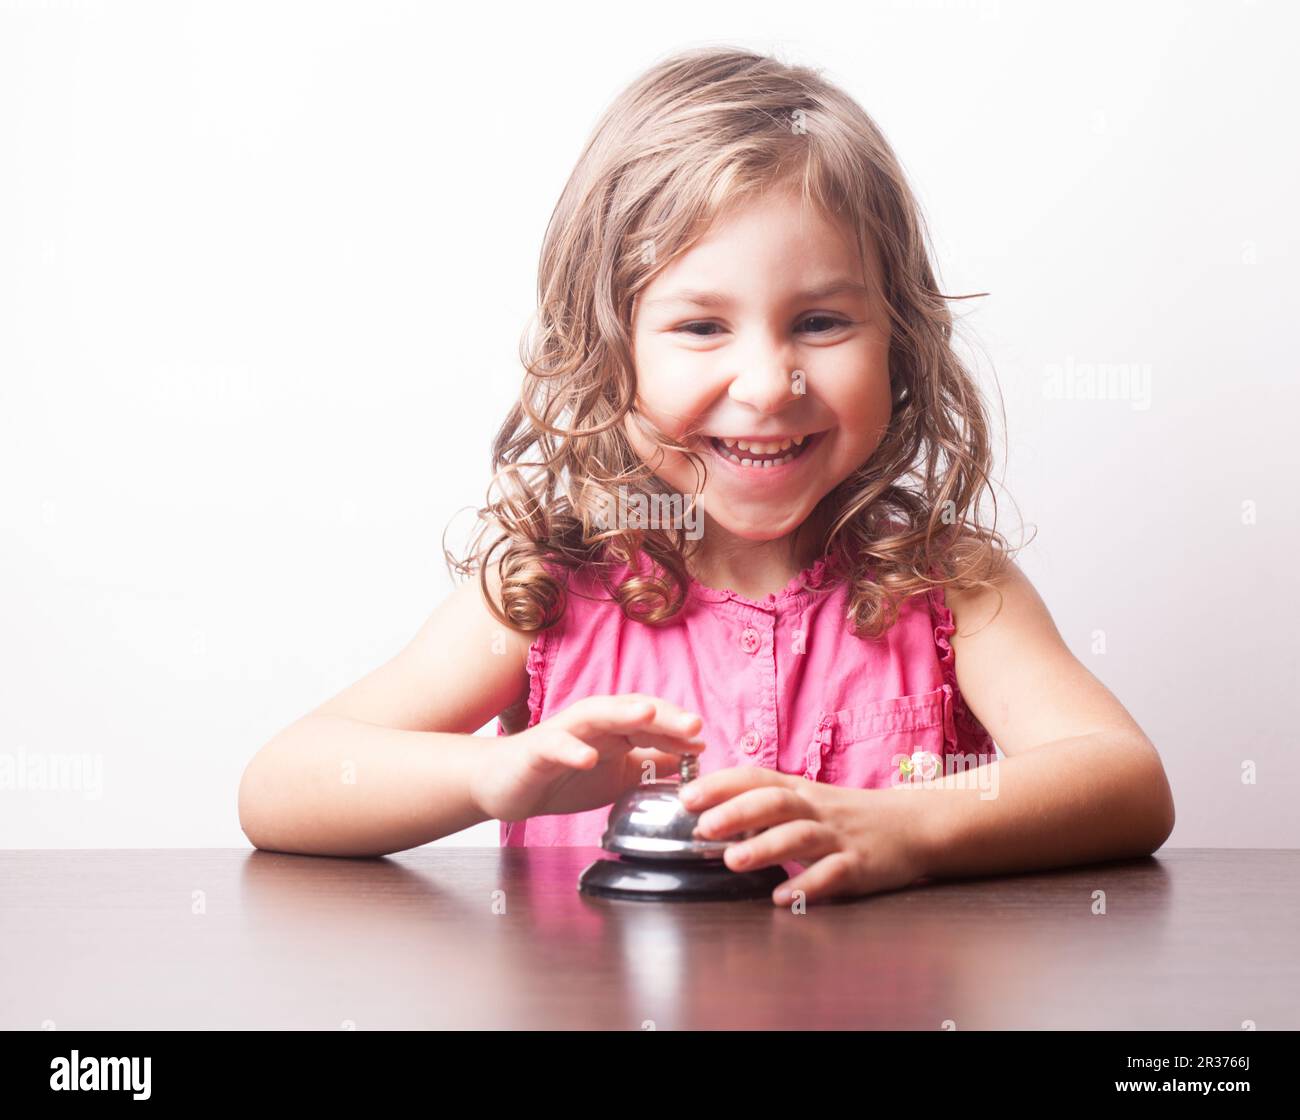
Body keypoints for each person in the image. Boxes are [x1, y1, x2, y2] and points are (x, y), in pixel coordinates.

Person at [238, 46, 1175, 905]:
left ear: (898, 341)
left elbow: (1126, 780)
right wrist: (491, 776)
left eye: (820, 322)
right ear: (611, 353)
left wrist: (909, 828)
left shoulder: (947, 588)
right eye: (700, 326)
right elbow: (280, 787)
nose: (769, 386)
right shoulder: (547, 594)